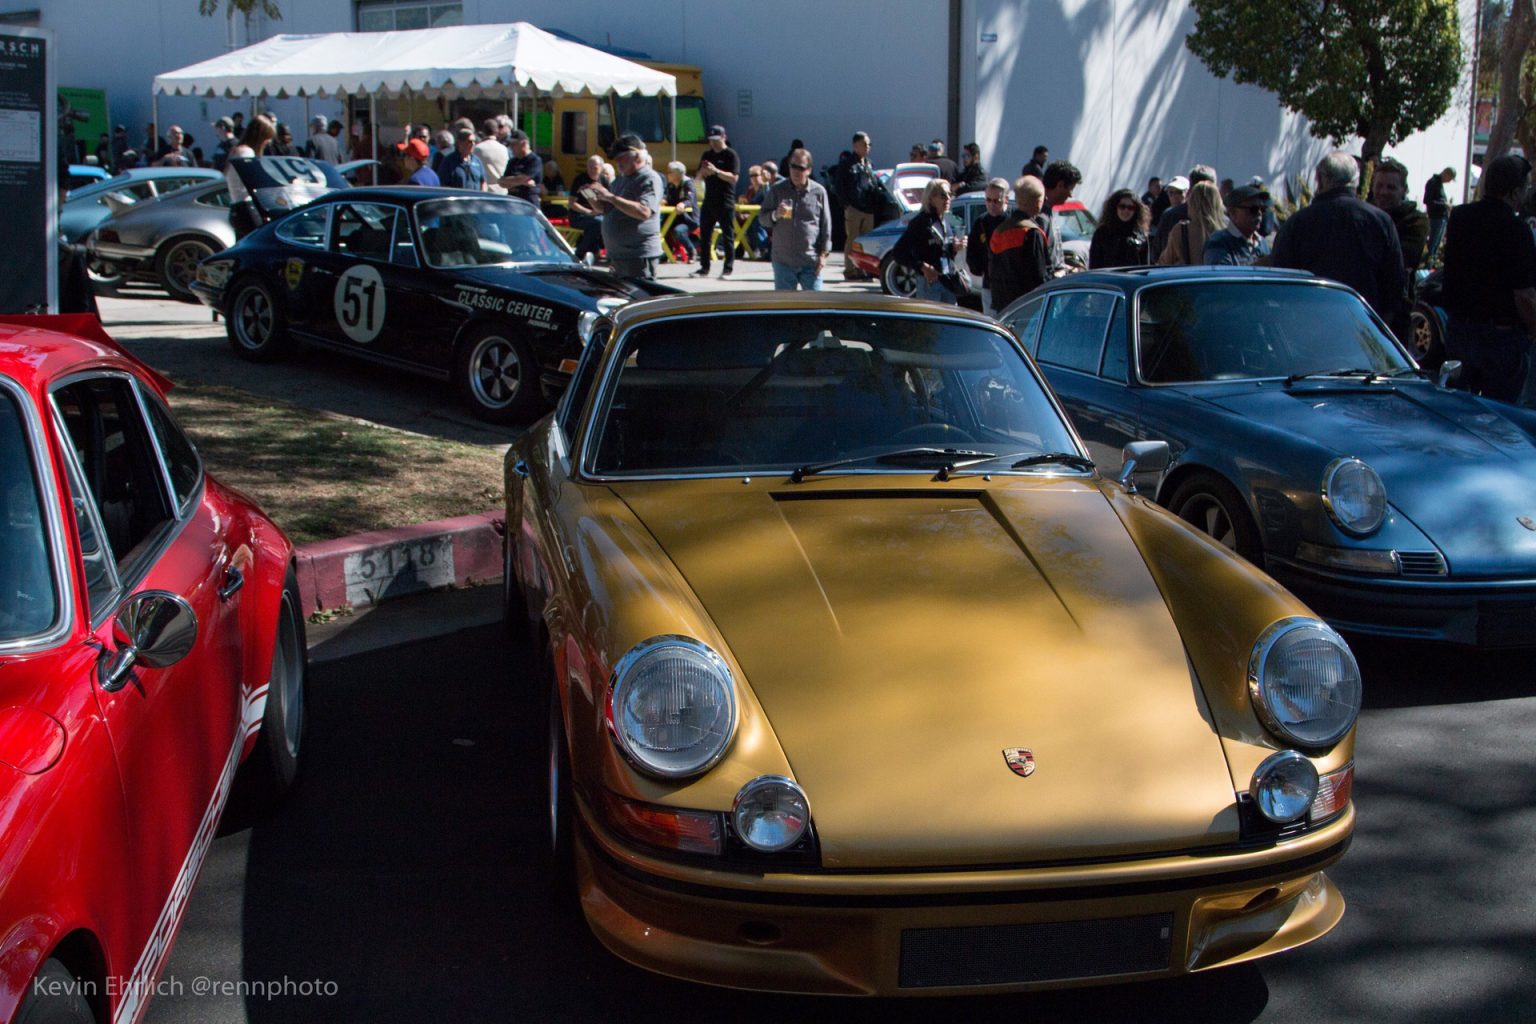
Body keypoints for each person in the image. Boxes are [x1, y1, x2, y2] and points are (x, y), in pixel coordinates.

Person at [1439, 154, 1536, 403]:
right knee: (1502, 416)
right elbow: (1523, 295)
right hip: (1500, 336)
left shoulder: (1460, 218)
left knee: (1457, 409)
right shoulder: (1517, 230)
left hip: (1460, 328)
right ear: (1514, 192)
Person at [1272, 151, 1404, 323]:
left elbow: (1281, 283)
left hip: (1309, 326)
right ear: (1356, 181)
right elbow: (1394, 286)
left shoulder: (1297, 223)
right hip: (1364, 327)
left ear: (1319, 179)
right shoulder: (1381, 221)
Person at [589, 134, 663, 279]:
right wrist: (591, 196)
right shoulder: (621, 179)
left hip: (638, 255)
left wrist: (611, 197)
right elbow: (605, 209)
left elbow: (644, 211)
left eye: (621, 157)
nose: (617, 161)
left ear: (637, 157)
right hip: (618, 255)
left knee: (640, 298)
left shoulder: (649, 177)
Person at [1371, 157, 1429, 339]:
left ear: (1404, 190)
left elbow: (1403, 259)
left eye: (1391, 187)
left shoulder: (1415, 220)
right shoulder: (1364, 215)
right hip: (1361, 304)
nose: (1383, 192)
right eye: (1379, 186)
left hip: (1395, 309)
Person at [761, 147, 832, 290]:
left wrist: (824, 255)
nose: (795, 171)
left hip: (810, 261)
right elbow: (762, 218)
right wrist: (775, 214)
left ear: (809, 170)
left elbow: (826, 226)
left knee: (815, 308)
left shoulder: (818, 192)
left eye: (800, 168)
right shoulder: (777, 190)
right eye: (793, 166)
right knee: (785, 309)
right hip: (784, 262)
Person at [891, 179, 967, 305]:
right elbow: (898, 253)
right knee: (931, 323)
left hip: (948, 280)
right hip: (930, 283)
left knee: (950, 322)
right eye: (943, 195)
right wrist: (922, 267)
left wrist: (954, 248)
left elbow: (943, 252)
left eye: (950, 195)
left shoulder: (945, 221)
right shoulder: (920, 222)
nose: (948, 199)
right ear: (931, 198)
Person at [988, 175, 1051, 313]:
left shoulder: (999, 230)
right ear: (1037, 202)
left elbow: (992, 269)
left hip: (1002, 304)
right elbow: (1039, 275)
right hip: (1026, 304)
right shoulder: (1031, 232)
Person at [692, 124, 740, 278]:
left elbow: (734, 178)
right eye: (711, 140)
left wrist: (717, 171)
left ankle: (728, 268)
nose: (713, 143)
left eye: (716, 140)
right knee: (705, 235)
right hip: (709, 199)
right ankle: (704, 267)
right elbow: (699, 177)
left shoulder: (731, 155)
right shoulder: (707, 155)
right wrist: (702, 173)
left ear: (724, 138)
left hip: (725, 200)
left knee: (728, 235)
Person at [833, 132, 881, 280]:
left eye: (869, 144)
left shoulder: (869, 164)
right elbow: (839, 186)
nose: (868, 147)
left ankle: (864, 269)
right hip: (854, 208)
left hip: (868, 208)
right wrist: (846, 205)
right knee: (853, 240)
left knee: (866, 242)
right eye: (864, 144)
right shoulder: (847, 164)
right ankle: (850, 270)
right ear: (855, 145)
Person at [225, 115, 275, 240]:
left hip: (236, 207)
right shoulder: (246, 153)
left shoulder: (236, 151)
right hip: (247, 208)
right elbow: (254, 181)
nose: (268, 142)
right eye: (267, 138)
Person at [1152, 165, 1215, 261]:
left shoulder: (1172, 216)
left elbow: (1159, 255)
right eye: (1170, 192)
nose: (1173, 196)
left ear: (1189, 190)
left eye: (1179, 192)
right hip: (1218, 275)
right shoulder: (1226, 221)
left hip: (1182, 274)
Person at [968, 177, 1011, 314]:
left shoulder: (1011, 223)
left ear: (1005, 200)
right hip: (989, 283)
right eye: (988, 200)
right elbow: (972, 251)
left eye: (996, 201)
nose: (992, 204)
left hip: (1009, 284)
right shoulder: (981, 222)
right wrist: (979, 267)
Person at [1157, 181, 1224, 266]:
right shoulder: (1228, 229)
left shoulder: (1181, 230)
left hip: (1190, 277)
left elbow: (1165, 262)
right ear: (1218, 202)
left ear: (1192, 203)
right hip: (1221, 278)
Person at [1203, 185, 1271, 266]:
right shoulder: (1218, 242)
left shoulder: (1263, 243)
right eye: (1254, 209)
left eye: (1262, 209)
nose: (1259, 214)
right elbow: (1222, 276)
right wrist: (1259, 265)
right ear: (1233, 213)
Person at [1039, 160, 1082, 274]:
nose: (1070, 195)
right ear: (1060, 185)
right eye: (1070, 188)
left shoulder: (1047, 213)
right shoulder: (1040, 218)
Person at [1089, 189, 1149, 268]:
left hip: (1132, 279)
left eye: (1130, 207)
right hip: (1108, 278)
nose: (1126, 210)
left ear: (1136, 210)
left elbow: (1145, 268)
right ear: (1115, 207)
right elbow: (1094, 265)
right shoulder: (1102, 233)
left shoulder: (1141, 236)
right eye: (1122, 206)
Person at [567, 154, 609, 262]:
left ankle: (597, 251)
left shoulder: (603, 180)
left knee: (606, 222)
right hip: (578, 215)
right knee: (598, 223)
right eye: (589, 167)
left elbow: (609, 200)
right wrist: (588, 212)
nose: (591, 170)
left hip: (599, 213)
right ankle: (580, 253)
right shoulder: (580, 179)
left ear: (601, 168)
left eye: (594, 167)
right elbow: (572, 203)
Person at [663, 160, 699, 262]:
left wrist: (683, 204)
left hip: (688, 219)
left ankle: (691, 251)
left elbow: (690, 199)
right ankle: (667, 253)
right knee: (660, 228)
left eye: (670, 172)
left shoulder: (688, 183)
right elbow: (667, 198)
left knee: (678, 231)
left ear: (677, 174)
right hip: (674, 217)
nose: (667, 174)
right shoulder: (671, 185)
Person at [438, 126, 486, 191]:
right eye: (470, 141)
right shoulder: (448, 161)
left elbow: (483, 182)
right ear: (460, 143)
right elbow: (443, 184)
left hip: (475, 200)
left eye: (474, 141)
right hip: (458, 200)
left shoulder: (477, 161)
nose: (473, 144)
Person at [1424, 166, 1455, 264]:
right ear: (1446, 174)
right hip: (1435, 217)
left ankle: (1433, 261)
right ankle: (1428, 262)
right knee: (1433, 242)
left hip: (1441, 217)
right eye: (1450, 178)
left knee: (1437, 242)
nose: (1449, 181)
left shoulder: (1439, 184)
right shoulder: (1432, 183)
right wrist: (1444, 204)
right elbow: (1427, 200)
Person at [474, 118, 510, 195]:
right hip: (502, 191)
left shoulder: (477, 149)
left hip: (485, 191)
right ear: (497, 132)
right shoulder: (504, 149)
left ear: (483, 131)